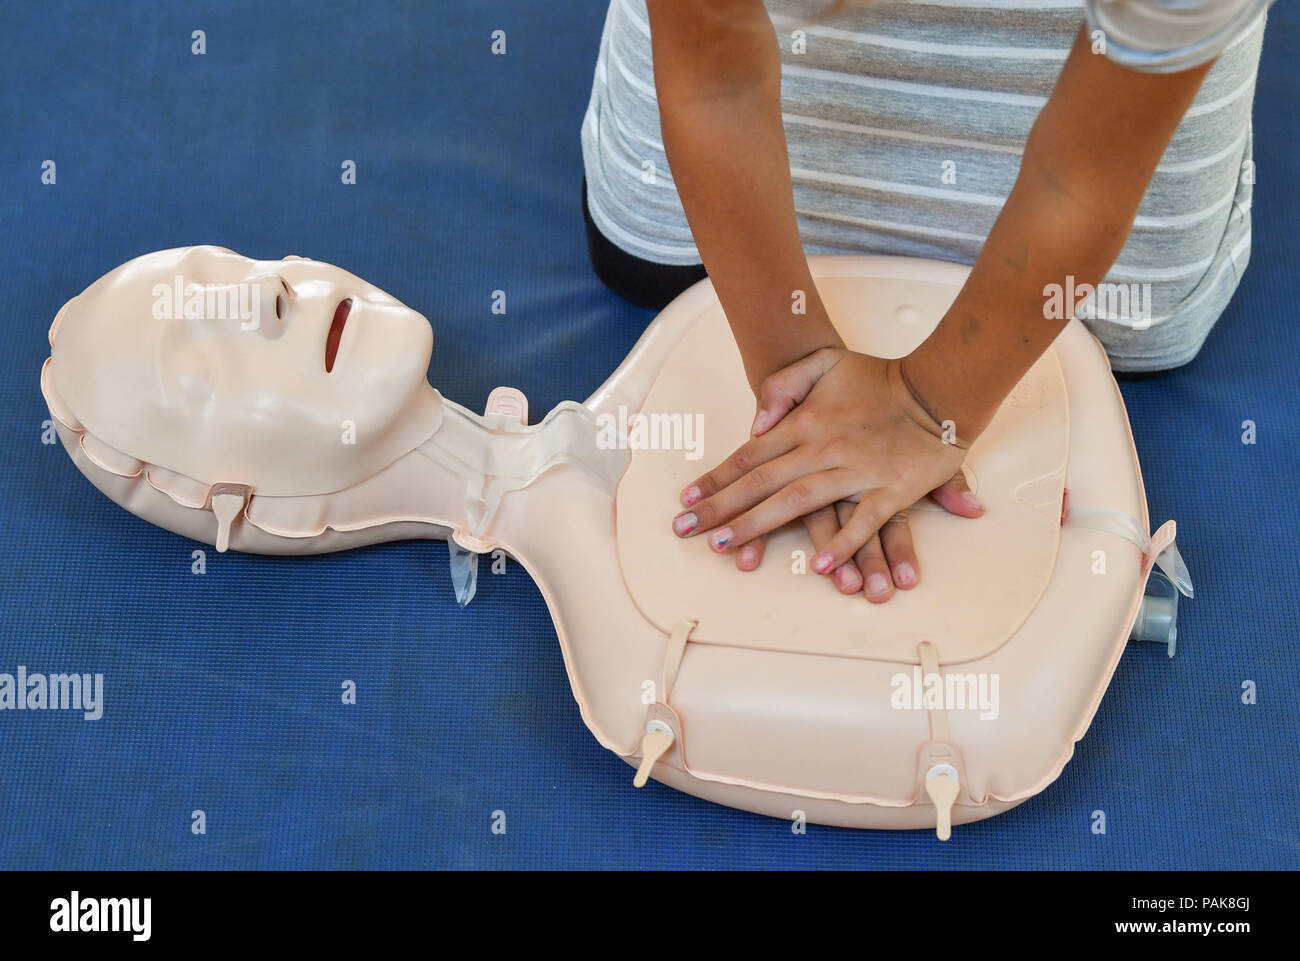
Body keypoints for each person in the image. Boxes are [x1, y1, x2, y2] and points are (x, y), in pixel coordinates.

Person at [580, 0, 1271, 602]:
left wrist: (929, 407)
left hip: (1106, 167)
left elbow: (1084, 180)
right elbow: (714, 81)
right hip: (735, 151)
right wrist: (802, 376)